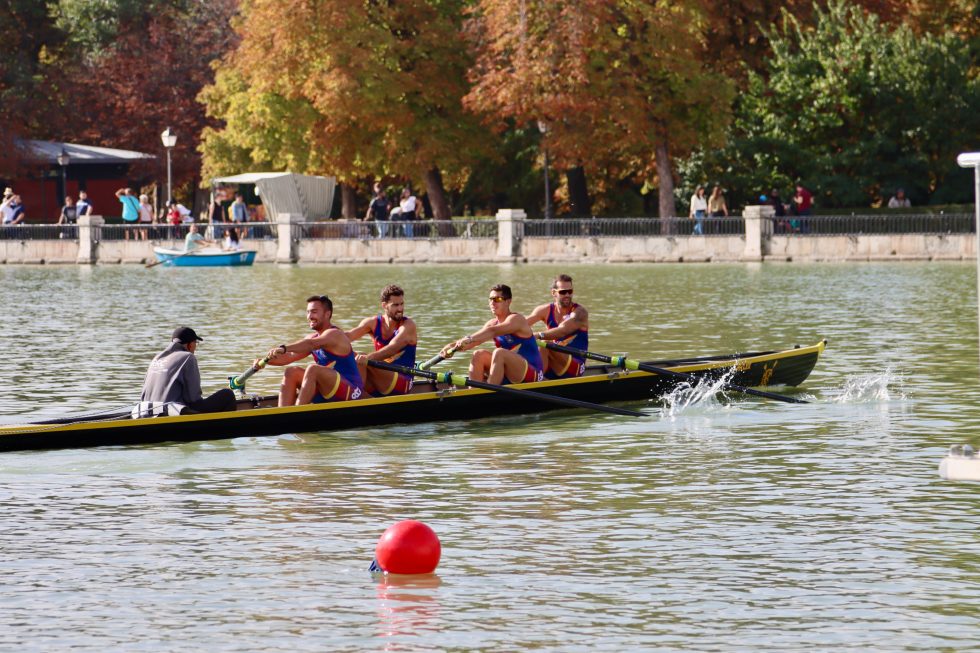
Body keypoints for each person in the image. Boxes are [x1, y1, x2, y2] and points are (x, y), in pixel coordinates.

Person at [262, 295, 364, 406]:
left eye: (314, 312)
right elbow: (289, 356)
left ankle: (296, 413)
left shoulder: (335, 334)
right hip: (327, 390)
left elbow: (311, 345)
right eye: (308, 312)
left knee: (313, 369)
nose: (309, 316)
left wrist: (283, 348)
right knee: (291, 372)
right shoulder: (312, 338)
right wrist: (264, 361)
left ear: (327, 314)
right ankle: (281, 414)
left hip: (351, 393)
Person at [439, 283, 545, 385]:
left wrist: (469, 338)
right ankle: (473, 394)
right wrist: (452, 347)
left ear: (508, 301)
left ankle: (487, 394)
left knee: (499, 353)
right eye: (490, 299)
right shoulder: (491, 323)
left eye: (497, 299)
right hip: (510, 371)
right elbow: (472, 343)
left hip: (532, 373)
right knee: (478, 354)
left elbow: (492, 331)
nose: (492, 303)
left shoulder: (516, 319)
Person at [138, 327, 236, 417]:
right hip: (172, 413)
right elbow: (193, 399)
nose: (195, 347)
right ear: (189, 344)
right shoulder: (188, 357)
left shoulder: (156, 358)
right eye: (195, 343)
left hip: (146, 411)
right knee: (227, 395)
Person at [345, 284, 418, 396]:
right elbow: (348, 336)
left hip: (403, 382)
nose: (400, 309)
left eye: (402, 304)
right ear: (384, 305)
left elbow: (391, 349)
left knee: (362, 358)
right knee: (350, 355)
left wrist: (366, 358)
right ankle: (361, 396)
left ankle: (358, 398)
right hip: (380, 379)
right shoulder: (372, 323)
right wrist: (325, 339)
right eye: (395, 305)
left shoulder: (408, 325)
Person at [527, 274, 589, 379]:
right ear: (553, 293)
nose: (567, 295)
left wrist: (537, 335)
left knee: (544, 345)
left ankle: (537, 381)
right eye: (563, 292)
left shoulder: (579, 312)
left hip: (575, 367)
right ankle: (535, 378)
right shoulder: (544, 310)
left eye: (570, 291)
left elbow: (562, 331)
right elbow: (522, 324)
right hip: (552, 366)